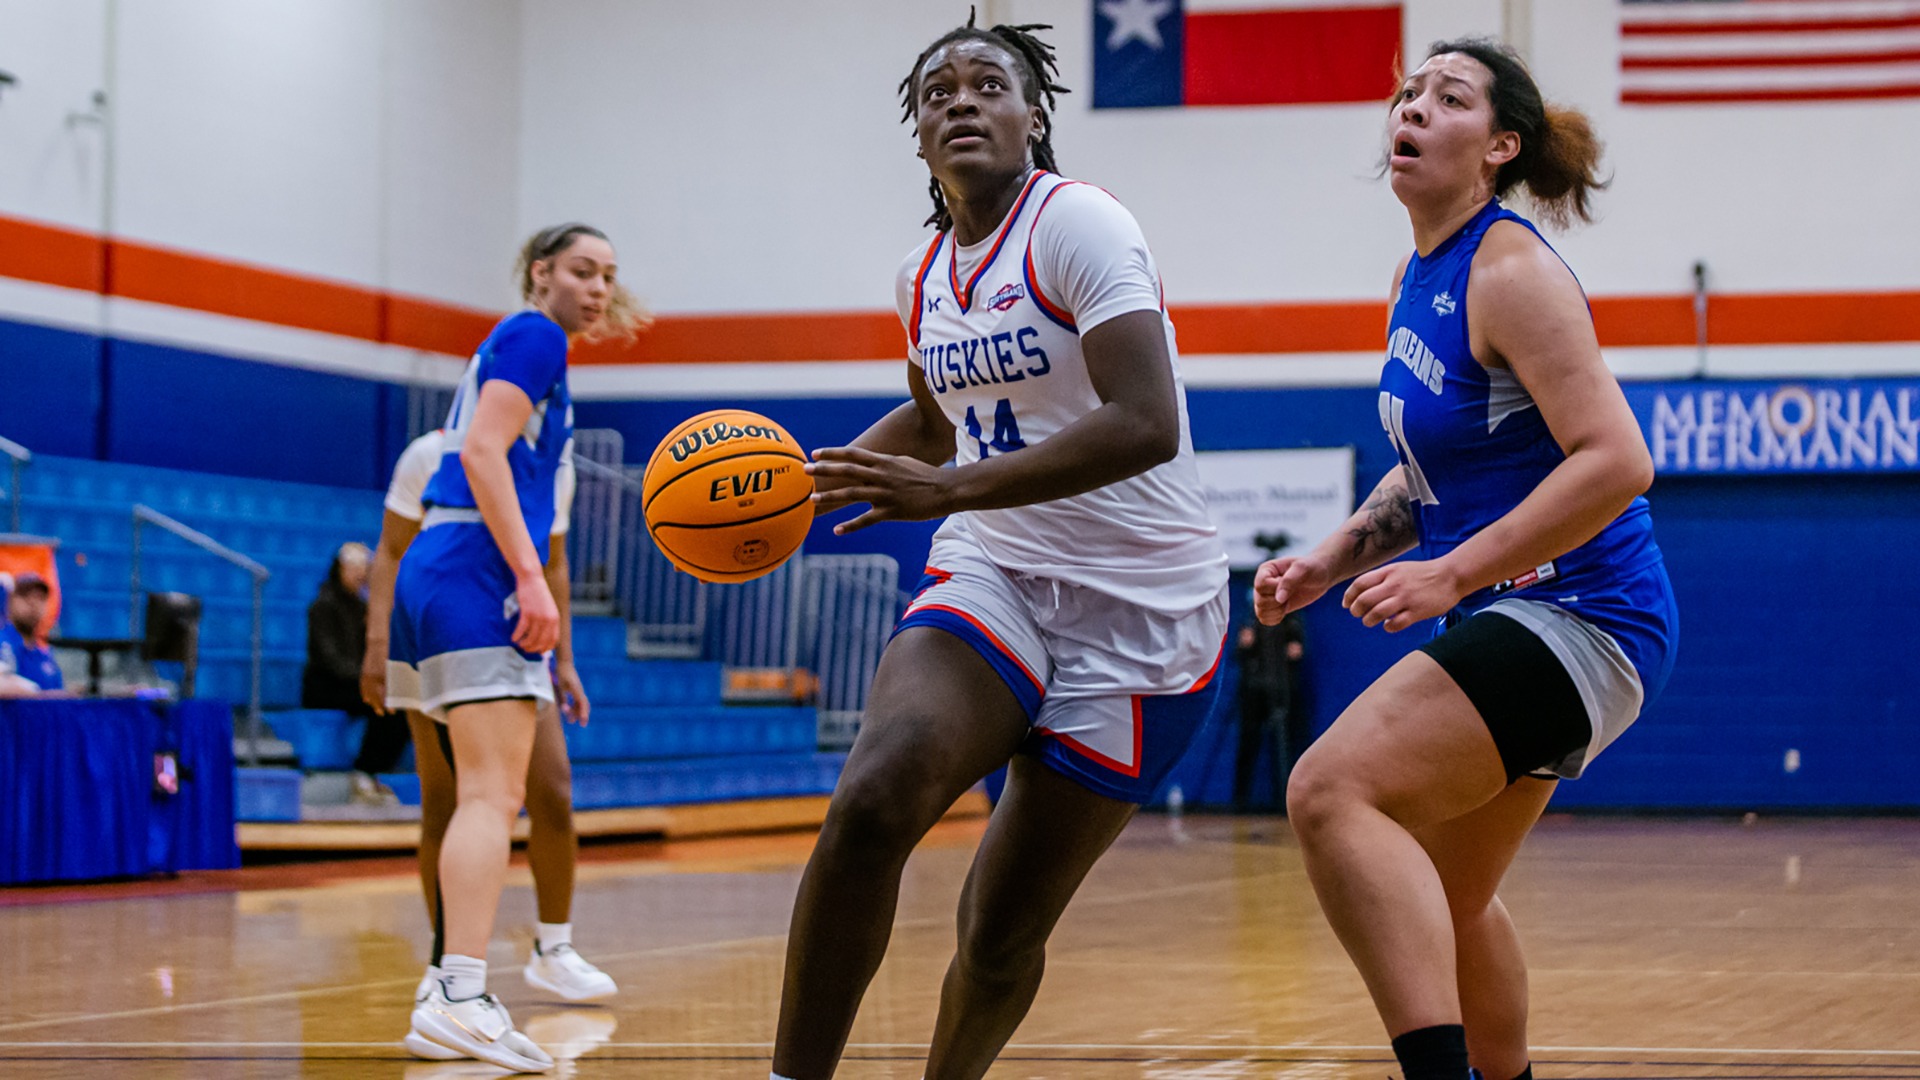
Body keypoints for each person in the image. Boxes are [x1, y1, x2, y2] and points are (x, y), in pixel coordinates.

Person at [772, 17, 1230, 1080]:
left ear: (1034, 116)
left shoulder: (1080, 225)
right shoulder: (922, 274)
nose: (962, 101)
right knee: (873, 798)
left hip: (1143, 612)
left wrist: (946, 488)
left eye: (989, 84)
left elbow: (1144, 421)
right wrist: (801, 486)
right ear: (917, 134)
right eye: (938, 93)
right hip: (996, 572)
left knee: (998, 932)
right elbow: (941, 425)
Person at [1254, 39, 1679, 1080]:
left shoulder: (1511, 271)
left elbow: (1619, 461)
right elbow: (1429, 476)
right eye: (1409, 93)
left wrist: (1452, 574)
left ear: (1499, 148)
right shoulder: (1416, 277)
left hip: (1586, 612)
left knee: (1328, 790)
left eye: (1449, 98)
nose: (1414, 107)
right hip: (1525, 617)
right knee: (1452, 896)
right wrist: (1329, 559)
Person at [385, 222, 641, 1073]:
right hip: (474, 568)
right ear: (540, 274)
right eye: (582, 271)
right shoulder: (535, 336)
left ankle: (447, 990)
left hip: (438, 568)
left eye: (607, 275)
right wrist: (529, 578)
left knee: (479, 796)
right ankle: (459, 994)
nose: (597, 288)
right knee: (490, 798)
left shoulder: (519, 347)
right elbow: (482, 451)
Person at [361, 426, 617, 1037]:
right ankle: (445, 964)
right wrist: (375, 643)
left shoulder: (553, 463)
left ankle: (554, 947)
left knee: (552, 789)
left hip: (519, 633)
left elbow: (554, 563)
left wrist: (566, 660)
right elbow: (391, 551)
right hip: (440, 627)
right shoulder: (428, 454)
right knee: (445, 802)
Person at [299, 542, 401, 803]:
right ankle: (364, 772)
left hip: (354, 682)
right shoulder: (322, 606)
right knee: (384, 702)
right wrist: (366, 678)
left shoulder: (363, 608)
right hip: (327, 687)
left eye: (363, 568)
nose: (360, 574)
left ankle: (372, 772)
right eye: (354, 568)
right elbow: (329, 660)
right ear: (339, 569)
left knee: (400, 704)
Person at [1231, 608, 1303, 812]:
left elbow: (1298, 653)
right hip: (1254, 690)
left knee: (1284, 745)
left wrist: (1295, 652)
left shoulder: (1292, 621)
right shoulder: (1250, 619)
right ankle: (1240, 800)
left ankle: (1285, 799)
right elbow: (1238, 653)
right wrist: (1244, 645)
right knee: (1248, 743)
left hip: (1282, 689)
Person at [0, 573, 64, 695]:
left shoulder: (45, 657)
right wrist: (36, 693)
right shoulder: (3, 642)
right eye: (25, 596)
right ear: (10, 601)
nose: (33, 603)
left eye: (40, 598)